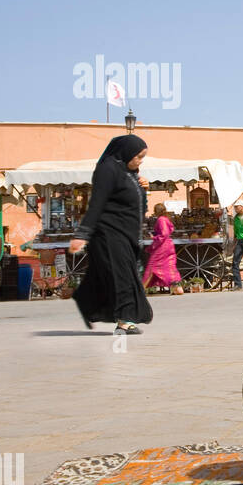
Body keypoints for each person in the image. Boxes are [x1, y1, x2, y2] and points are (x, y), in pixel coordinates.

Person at [70, 135, 153, 335]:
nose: (140, 161)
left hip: (126, 234)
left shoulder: (128, 173)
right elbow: (97, 202)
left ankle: (85, 299)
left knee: (106, 276)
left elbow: (138, 207)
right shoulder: (108, 169)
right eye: (138, 156)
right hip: (108, 232)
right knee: (122, 275)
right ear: (126, 152)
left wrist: (143, 190)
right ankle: (124, 321)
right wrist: (82, 234)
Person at [142, 202, 183, 295]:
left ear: (156, 211)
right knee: (169, 266)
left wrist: (154, 238)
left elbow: (164, 234)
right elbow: (170, 230)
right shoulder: (166, 219)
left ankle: (142, 289)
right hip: (168, 245)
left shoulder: (161, 220)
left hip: (162, 247)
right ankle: (177, 286)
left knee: (152, 266)